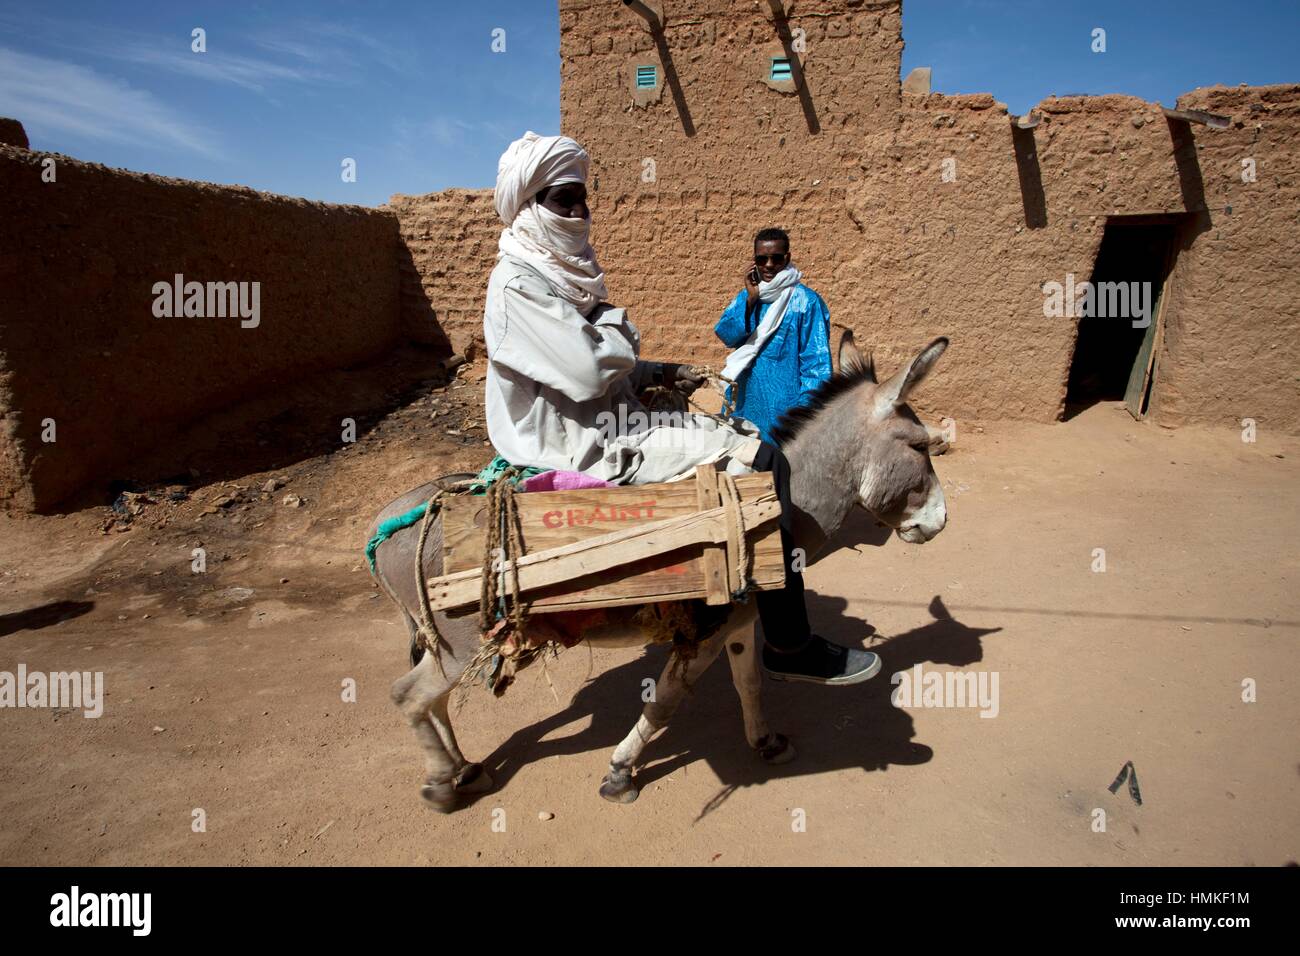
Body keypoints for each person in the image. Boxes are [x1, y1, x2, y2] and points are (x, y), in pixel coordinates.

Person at [483, 131, 878, 685]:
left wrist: (660, 371)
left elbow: (599, 361)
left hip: (637, 416)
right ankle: (789, 643)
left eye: (582, 197)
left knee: (738, 434)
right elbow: (589, 368)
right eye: (561, 198)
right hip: (583, 439)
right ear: (528, 205)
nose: (577, 210)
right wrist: (622, 329)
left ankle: (732, 593)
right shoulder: (520, 284)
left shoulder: (561, 272)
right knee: (766, 460)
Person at [714, 228, 832, 443]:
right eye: (762, 259)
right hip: (744, 400)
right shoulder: (749, 296)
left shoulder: (806, 302)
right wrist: (750, 300)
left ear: (787, 258)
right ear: (754, 261)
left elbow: (816, 364)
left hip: (784, 409)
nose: (768, 265)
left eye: (776, 258)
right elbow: (726, 335)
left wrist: (803, 412)